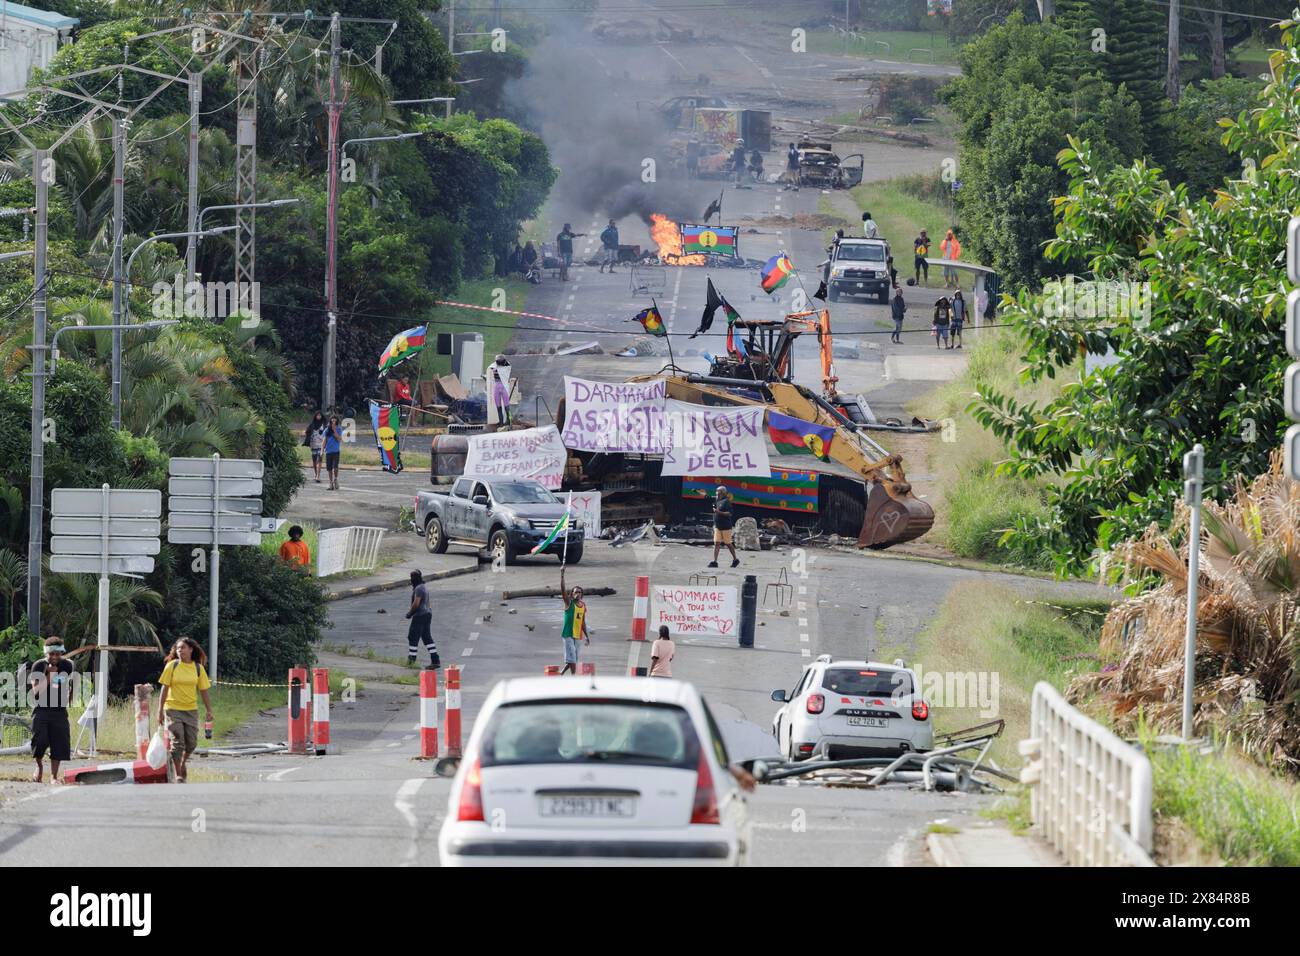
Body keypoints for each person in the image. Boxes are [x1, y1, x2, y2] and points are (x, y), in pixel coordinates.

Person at [157, 637, 213, 784]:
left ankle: (182, 763)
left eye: (183, 648)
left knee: (192, 743)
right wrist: (159, 710)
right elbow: (164, 688)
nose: (180, 650)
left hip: (191, 710)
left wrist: (209, 710)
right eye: (178, 648)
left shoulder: (198, 668)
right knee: (178, 740)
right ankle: (178, 773)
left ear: (191, 649)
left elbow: (204, 690)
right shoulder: (172, 666)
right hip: (172, 708)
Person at [28, 636, 73, 784]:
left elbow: (66, 685)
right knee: (39, 742)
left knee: (59, 742)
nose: (54, 657)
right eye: (51, 654)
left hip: (59, 710)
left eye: (57, 654)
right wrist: (49, 676)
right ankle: (39, 767)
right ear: (46, 653)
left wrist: (68, 696)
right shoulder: (38, 666)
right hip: (41, 709)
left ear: (62, 653)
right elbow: (36, 692)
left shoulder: (67, 665)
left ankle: (53, 776)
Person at [558, 567, 590, 676]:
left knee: (573, 659)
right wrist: (562, 575)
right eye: (576, 592)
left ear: (582, 594)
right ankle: (573, 678)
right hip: (568, 634)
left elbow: (583, 622)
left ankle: (561, 674)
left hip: (577, 635)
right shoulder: (569, 603)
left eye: (580, 592)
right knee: (572, 659)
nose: (578, 594)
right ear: (572, 594)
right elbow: (562, 590)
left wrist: (587, 636)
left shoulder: (583, 606)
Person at [405, 570, 439, 669]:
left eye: (412, 578)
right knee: (427, 638)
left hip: (420, 615)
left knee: (412, 637)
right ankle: (435, 660)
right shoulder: (423, 587)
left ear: (414, 578)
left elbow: (416, 603)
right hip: (427, 614)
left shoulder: (419, 588)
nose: (411, 580)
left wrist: (409, 614)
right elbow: (428, 603)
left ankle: (411, 660)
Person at [708, 485, 739, 569]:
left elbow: (729, 513)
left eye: (718, 491)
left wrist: (719, 512)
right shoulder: (717, 501)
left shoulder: (726, 502)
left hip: (726, 526)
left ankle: (735, 559)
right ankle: (715, 561)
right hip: (717, 526)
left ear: (722, 493)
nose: (716, 493)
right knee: (716, 543)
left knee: (728, 543)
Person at [305, 411, 326, 483]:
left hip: (321, 445)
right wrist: (308, 441)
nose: (319, 417)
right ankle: (315, 474)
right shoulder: (312, 424)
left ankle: (318, 476)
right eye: (317, 415)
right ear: (315, 416)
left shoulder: (324, 425)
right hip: (313, 444)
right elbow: (307, 432)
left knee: (319, 460)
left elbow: (327, 434)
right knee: (314, 460)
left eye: (320, 415)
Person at [324, 415, 343, 491]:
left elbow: (339, 439)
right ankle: (330, 482)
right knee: (329, 468)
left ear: (337, 421)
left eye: (335, 420)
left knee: (335, 467)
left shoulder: (339, 429)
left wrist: (334, 430)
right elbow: (324, 440)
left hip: (336, 451)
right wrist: (322, 450)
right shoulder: (327, 429)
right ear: (330, 421)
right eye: (332, 420)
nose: (333, 421)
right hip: (328, 451)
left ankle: (335, 479)